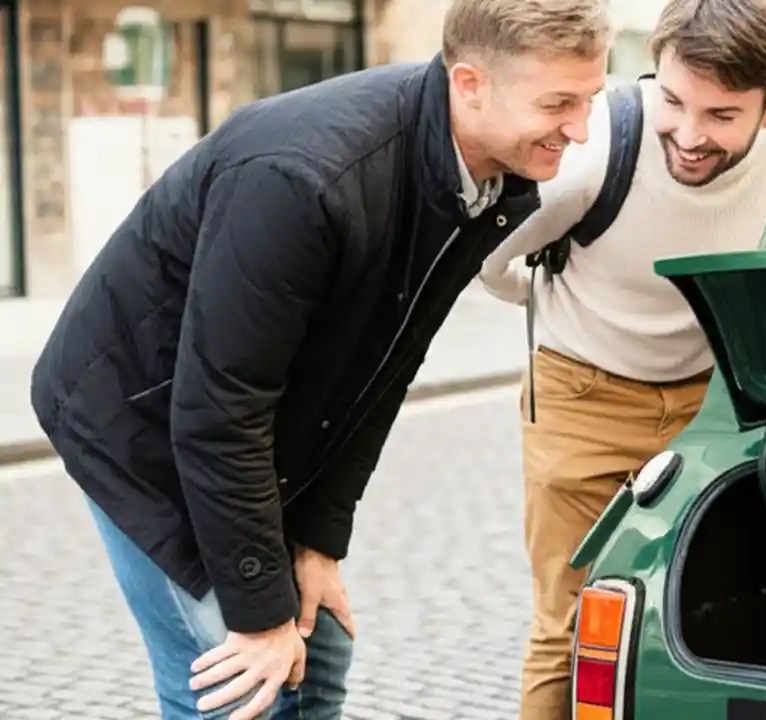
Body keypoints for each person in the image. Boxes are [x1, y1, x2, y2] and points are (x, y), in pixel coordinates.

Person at [28, 1, 611, 717]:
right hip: (139, 423)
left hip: (239, 419)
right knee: (236, 690)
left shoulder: (485, 179)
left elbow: (383, 372)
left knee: (320, 652)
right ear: (470, 85)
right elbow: (219, 412)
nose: (580, 130)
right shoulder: (304, 178)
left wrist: (318, 542)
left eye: (590, 100)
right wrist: (260, 618)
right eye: (557, 104)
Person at [476, 0, 766, 716]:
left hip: (711, 400)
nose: (690, 135)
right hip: (582, 396)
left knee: (714, 607)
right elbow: (491, 261)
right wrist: (564, 304)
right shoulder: (594, 153)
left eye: (721, 115)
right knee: (568, 623)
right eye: (673, 101)